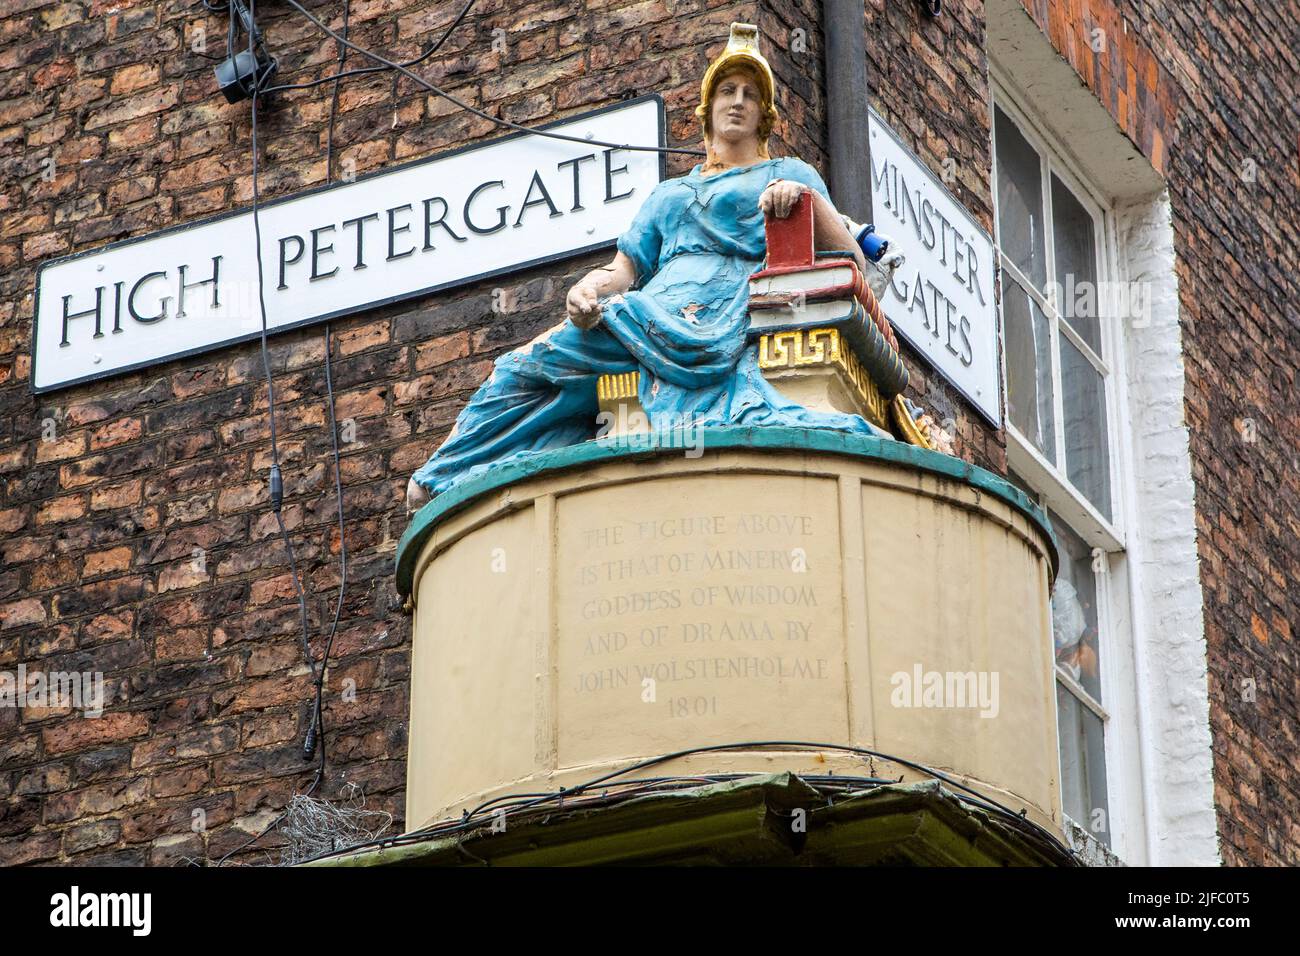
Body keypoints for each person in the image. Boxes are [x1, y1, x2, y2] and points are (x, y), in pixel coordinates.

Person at [407, 24, 887, 510]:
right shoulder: (667, 195)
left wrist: (802, 202)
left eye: (750, 94)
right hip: (643, 312)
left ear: (764, 114)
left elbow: (851, 259)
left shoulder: (788, 172)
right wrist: (583, 292)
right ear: (708, 108)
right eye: (727, 90)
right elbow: (620, 273)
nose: (738, 101)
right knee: (525, 365)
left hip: (721, 311)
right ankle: (449, 477)